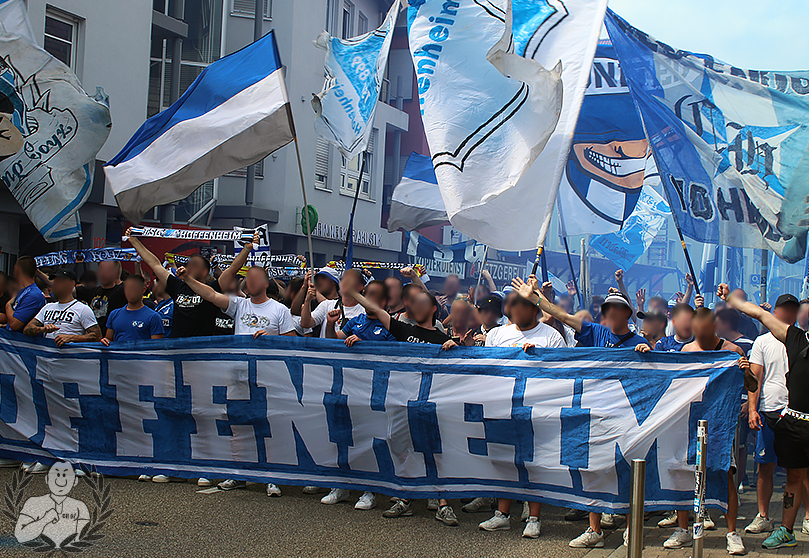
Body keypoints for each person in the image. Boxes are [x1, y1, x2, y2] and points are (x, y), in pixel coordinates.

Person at [512, 277, 648, 548]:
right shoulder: (596, 332)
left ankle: (633, 526)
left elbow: (655, 373)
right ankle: (594, 529)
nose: (610, 313)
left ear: (627, 314)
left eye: (616, 309)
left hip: (627, 417)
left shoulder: (638, 341)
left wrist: (648, 353)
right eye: (607, 308)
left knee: (629, 471)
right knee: (594, 467)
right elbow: (560, 314)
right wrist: (536, 298)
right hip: (596, 412)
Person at [345, 283, 459, 526]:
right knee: (402, 449)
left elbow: (457, 370)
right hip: (401, 402)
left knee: (433, 452)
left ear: (433, 310)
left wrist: (454, 348)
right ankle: (404, 499)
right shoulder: (401, 330)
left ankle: (443, 503)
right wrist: (351, 290)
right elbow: (374, 308)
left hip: (429, 404)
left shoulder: (441, 338)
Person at [178, 264, 294, 496]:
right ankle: (239, 473)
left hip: (267, 377)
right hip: (237, 375)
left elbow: (292, 342)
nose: (250, 282)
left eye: (255, 278)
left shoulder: (279, 310)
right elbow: (210, 295)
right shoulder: (239, 305)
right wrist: (188, 279)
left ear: (265, 283)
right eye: (247, 278)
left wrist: (271, 339)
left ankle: (272, 475)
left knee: (267, 424)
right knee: (238, 424)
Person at [718, 283, 809, 549]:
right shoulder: (795, 338)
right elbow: (760, 315)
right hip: (794, 423)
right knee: (793, 478)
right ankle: (787, 531)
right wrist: (731, 299)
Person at [654, 307, 749, 554]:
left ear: (713, 327)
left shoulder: (732, 351)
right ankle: (683, 529)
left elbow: (751, 385)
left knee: (725, 473)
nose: (700, 335)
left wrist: (745, 370)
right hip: (690, 421)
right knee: (683, 473)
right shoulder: (688, 350)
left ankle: (731, 533)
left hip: (720, 423)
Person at [476, 285, 565, 539]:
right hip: (504, 406)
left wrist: (539, 359)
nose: (516, 308)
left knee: (534, 463)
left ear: (535, 309)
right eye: (513, 303)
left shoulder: (551, 337)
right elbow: (487, 367)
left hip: (537, 410)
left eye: (523, 304)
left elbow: (562, 373)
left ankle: (534, 517)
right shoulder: (497, 334)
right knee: (505, 460)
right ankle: (502, 515)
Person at [744, 294, 805, 536]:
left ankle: (807, 518)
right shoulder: (762, 341)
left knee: (802, 470)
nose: (789, 314)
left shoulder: (804, 339)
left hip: (799, 414)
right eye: (784, 309)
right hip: (770, 411)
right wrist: (752, 408)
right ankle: (763, 516)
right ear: (775, 311)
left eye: (794, 310)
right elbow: (754, 378)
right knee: (764, 466)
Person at [126, 228, 258, 339]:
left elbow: (233, 269)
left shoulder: (212, 289)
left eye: (195, 264)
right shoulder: (177, 286)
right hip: (178, 348)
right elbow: (155, 264)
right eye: (189, 264)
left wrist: (246, 249)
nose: (190, 267)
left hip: (201, 350)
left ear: (205, 271)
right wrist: (134, 241)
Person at [15, 462, 89, 547]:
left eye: (65, 475)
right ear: (47, 479)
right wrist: (44, 520)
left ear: (74, 481)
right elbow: (20, 535)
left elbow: (80, 540)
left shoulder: (79, 507)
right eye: (56, 475)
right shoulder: (33, 502)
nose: (60, 481)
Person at [23, 270, 101, 346]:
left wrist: (71, 338)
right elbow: (27, 329)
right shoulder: (47, 307)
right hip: (47, 357)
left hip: (69, 356)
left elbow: (97, 336)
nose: (55, 285)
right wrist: (42, 329)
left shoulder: (83, 309)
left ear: (71, 284)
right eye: (54, 282)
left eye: (59, 282)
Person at [327, 279, 395, 348]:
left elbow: (393, 354)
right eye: (366, 295)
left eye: (374, 295)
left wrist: (362, 345)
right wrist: (330, 323)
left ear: (384, 301)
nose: (369, 299)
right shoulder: (356, 320)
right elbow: (333, 341)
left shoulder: (391, 327)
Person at [301, 269, 366, 339]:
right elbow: (306, 324)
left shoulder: (364, 312)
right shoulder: (327, 305)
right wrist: (307, 300)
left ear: (360, 287)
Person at [102, 275, 164, 344]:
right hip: (120, 354)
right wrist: (105, 341)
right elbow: (109, 339)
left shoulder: (153, 317)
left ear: (143, 290)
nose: (130, 292)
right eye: (127, 289)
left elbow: (157, 346)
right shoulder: (114, 314)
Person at [75, 260, 126, 333]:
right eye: (101, 269)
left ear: (115, 273)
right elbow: (68, 290)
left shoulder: (120, 292)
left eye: (107, 270)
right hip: (93, 337)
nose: (103, 273)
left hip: (110, 338)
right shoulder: (92, 291)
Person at [5, 256, 46, 332]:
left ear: (17, 270)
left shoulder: (33, 295)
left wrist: (8, 305)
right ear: (35, 273)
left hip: (22, 342)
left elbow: (14, 325)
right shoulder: (24, 291)